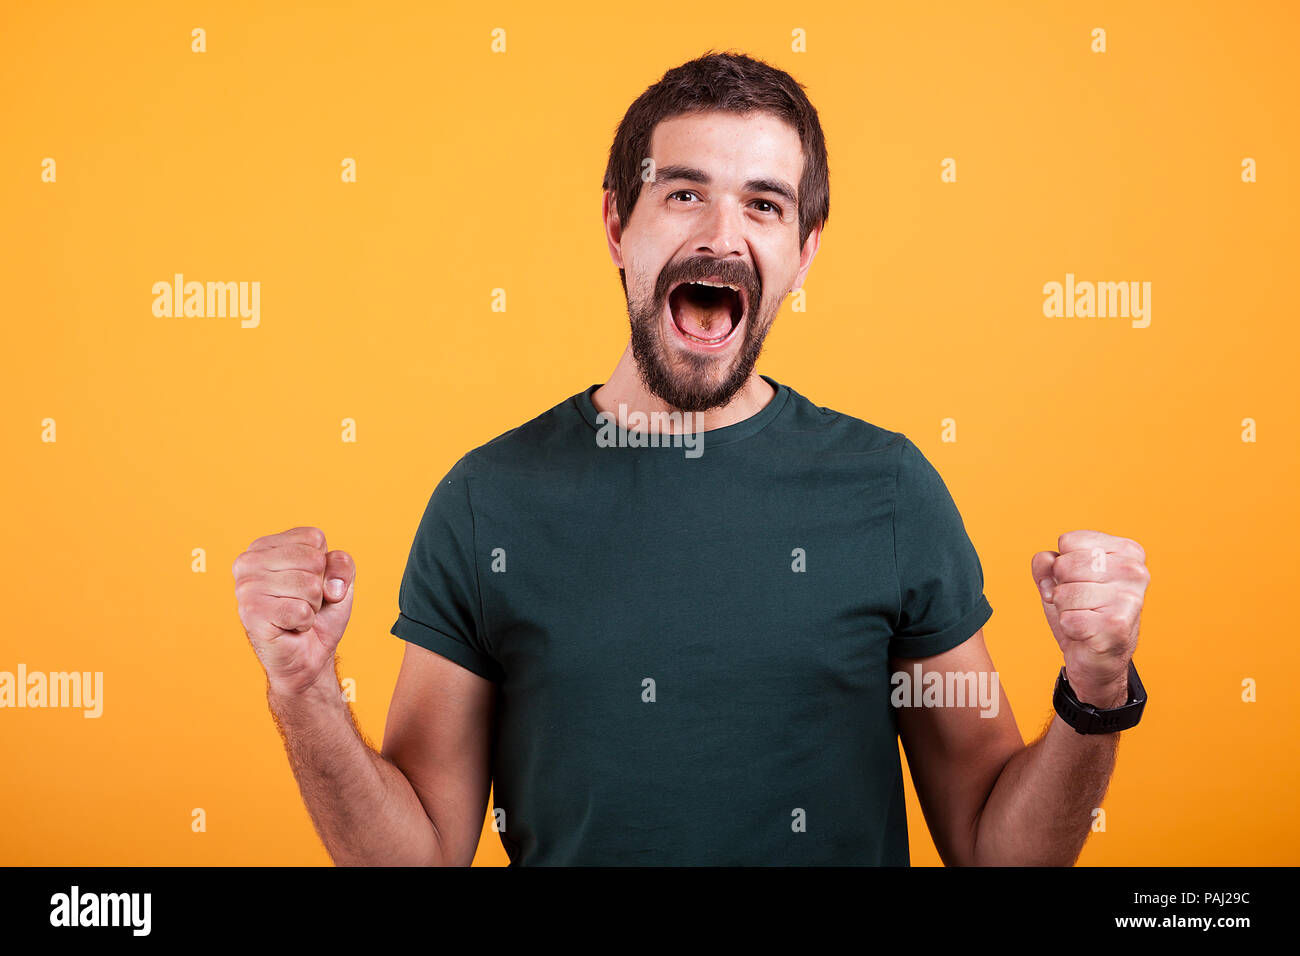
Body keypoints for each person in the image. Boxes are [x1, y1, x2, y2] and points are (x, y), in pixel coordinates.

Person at [232, 50, 1150, 866]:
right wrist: (306, 691)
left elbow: (999, 852)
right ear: (615, 226)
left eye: (764, 203)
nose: (720, 233)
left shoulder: (891, 492)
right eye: (682, 193)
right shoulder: (488, 504)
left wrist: (1094, 692)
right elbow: (420, 856)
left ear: (804, 253)